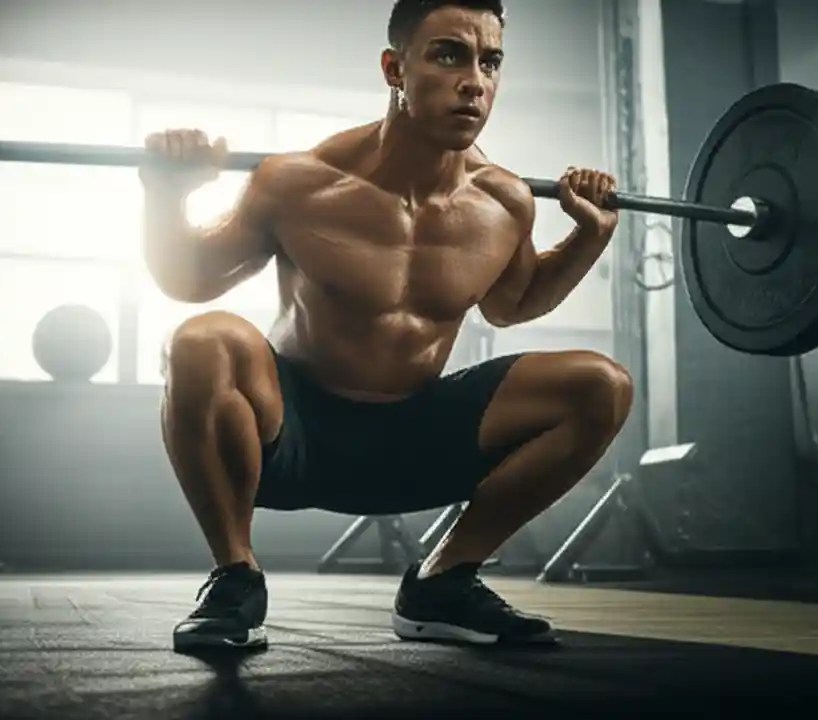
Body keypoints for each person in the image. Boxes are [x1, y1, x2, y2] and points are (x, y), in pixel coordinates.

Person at [142, 0, 632, 652]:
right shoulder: (299, 182)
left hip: (415, 436)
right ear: (394, 69)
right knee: (200, 341)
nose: (475, 81)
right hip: (292, 435)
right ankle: (235, 579)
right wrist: (167, 195)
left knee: (601, 386)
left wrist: (587, 239)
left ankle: (445, 581)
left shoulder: (504, 201)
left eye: (490, 62)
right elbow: (189, 281)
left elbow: (511, 304)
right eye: (449, 54)